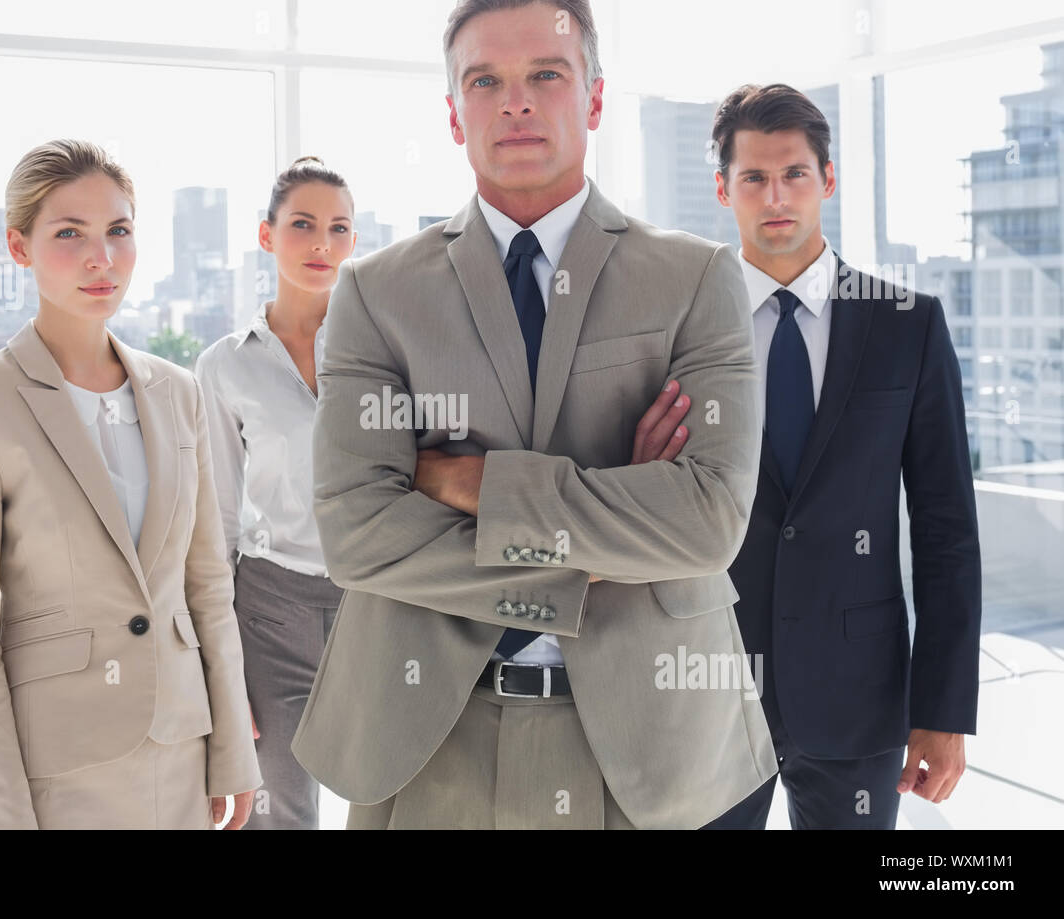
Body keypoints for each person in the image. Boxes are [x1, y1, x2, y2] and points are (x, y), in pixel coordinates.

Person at [290, 0, 778, 829]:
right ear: (454, 113)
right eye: (486, 81)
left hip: (647, 748)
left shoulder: (697, 278)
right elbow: (357, 531)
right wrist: (611, 522)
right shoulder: (376, 293)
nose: (515, 101)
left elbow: (707, 522)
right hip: (425, 741)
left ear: (592, 99)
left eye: (544, 75)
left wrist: (472, 484)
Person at [0, 139, 261, 829]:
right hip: (59, 775)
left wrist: (232, 753)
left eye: (118, 231)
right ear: (20, 248)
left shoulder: (179, 392)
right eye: (69, 233)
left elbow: (207, 588)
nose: (100, 257)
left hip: (181, 757)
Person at [705, 84, 980, 828]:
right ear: (723, 188)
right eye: (754, 177)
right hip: (706, 688)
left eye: (795, 173)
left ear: (828, 180)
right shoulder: (683, 328)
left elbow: (947, 527)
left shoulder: (908, 325)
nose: (776, 196)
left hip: (861, 695)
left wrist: (944, 708)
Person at [195, 155, 357, 829]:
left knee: (401, 789)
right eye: (303, 224)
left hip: (373, 598)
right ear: (267, 236)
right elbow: (218, 521)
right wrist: (225, 667)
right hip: (272, 608)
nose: (322, 243)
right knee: (278, 806)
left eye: (339, 228)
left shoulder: (381, 351)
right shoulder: (225, 364)